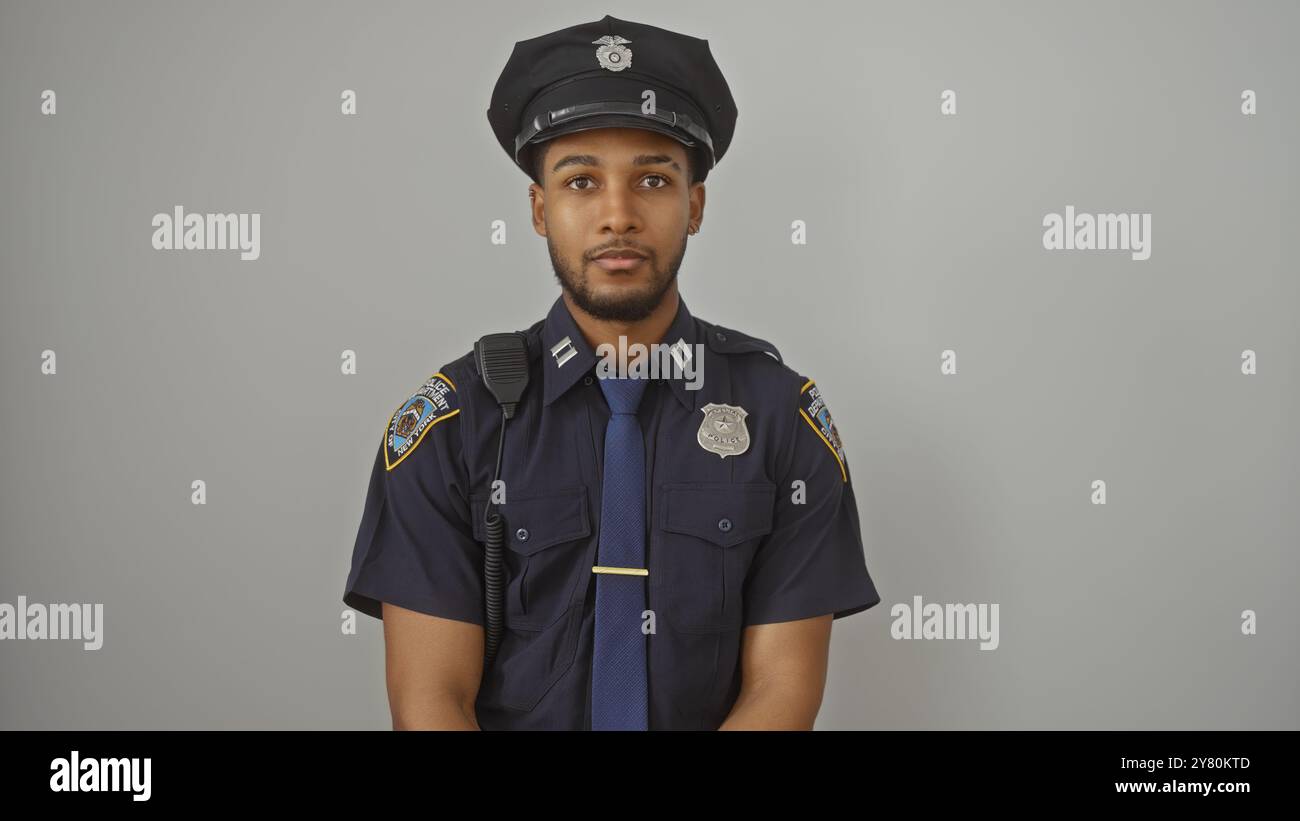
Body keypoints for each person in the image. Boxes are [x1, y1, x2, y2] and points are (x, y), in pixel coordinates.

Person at [342, 14, 881, 731]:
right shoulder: (454, 422)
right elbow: (431, 700)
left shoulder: (780, 415)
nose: (617, 215)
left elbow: (780, 694)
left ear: (694, 206)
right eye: (581, 182)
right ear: (540, 209)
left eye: (652, 179)